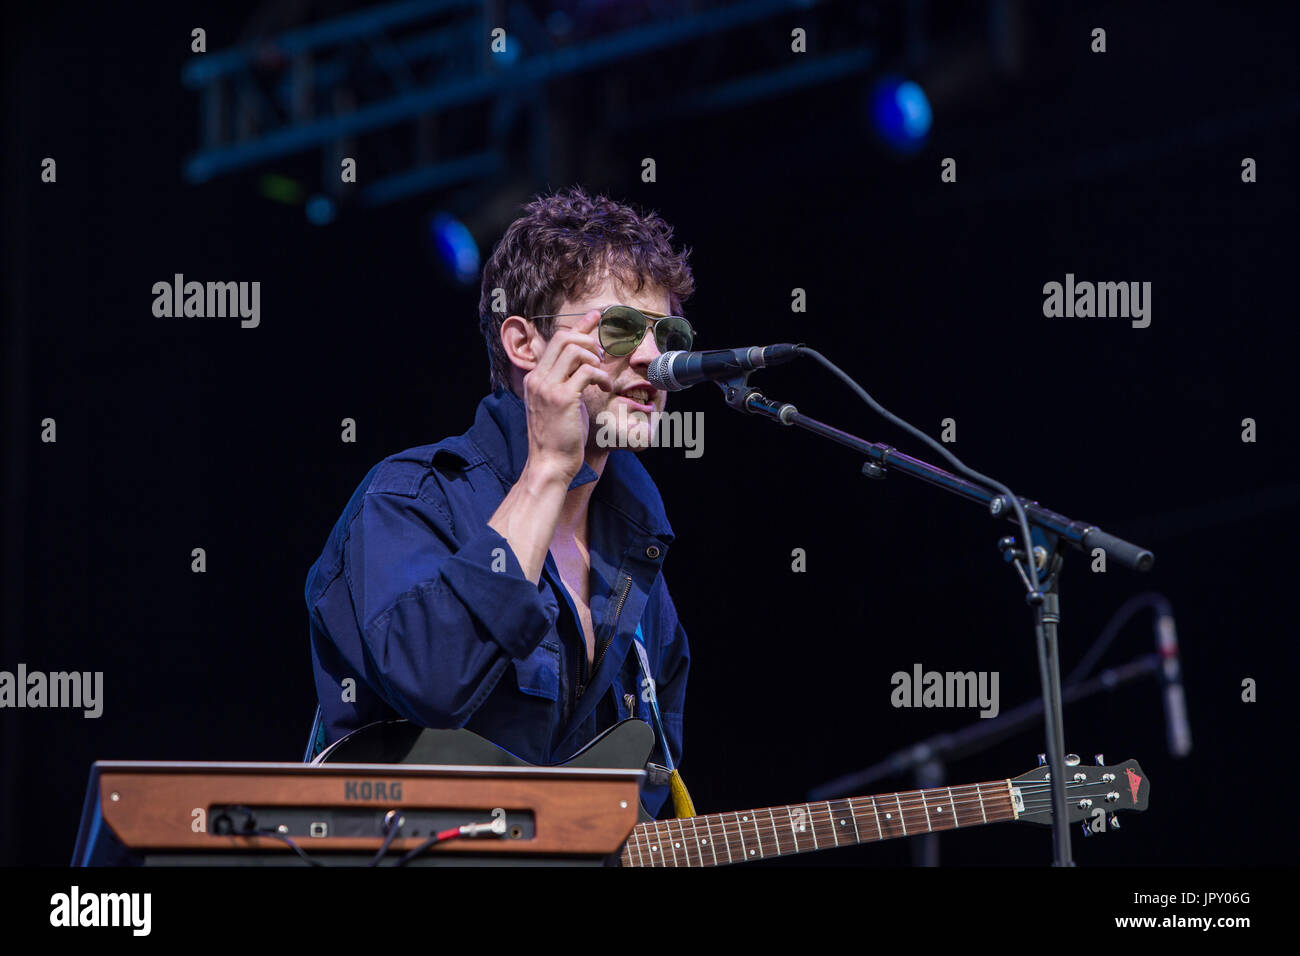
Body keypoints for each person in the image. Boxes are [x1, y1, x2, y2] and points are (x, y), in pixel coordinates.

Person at [304, 186, 696, 817]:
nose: (654, 357)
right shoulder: (410, 501)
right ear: (524, 345)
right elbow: (431, 679)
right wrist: (547, 469)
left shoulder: (640, 552)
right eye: (620, 327)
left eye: (667, 332)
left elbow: (641, 808)